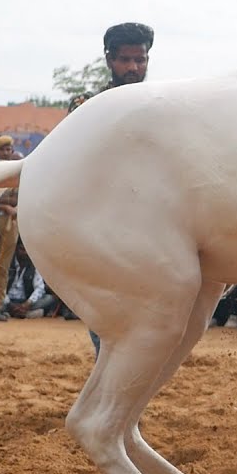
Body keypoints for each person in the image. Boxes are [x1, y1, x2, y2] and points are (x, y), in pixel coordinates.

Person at [70, 21, 155, 356]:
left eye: (141, 59)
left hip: (147, 222)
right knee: (105, 310)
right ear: (109, 60)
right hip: (100, 223)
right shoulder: (85, 107)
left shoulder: (156, 104)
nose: (134, 67)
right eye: (126, 60)